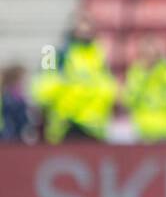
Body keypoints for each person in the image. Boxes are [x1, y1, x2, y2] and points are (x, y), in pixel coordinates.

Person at [30, 14, 117, 142]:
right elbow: (41, 88)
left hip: (93, 128)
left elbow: (109, 88)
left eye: (88, 30)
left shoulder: (100, 54)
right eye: (81, 30)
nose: (85, 34)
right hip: (65, 126)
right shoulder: (53, 53)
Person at [123, 35, 166, 142]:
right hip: (143, 132)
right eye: (145, 53)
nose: (149, 57)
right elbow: (129, 100)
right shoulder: (136, 73)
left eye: (152, 53)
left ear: (158, 54)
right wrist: (144, 77)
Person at [2, 66, 33, 142]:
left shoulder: (18, 96)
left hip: (15, 134)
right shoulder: (9, 97)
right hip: (9, 136)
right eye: (22, 79)